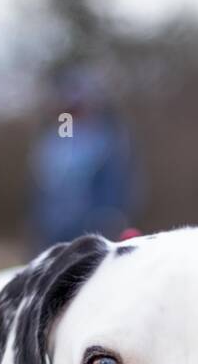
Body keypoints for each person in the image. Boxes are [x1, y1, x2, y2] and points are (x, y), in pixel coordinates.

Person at [30, 67, 139, 250]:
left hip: (96, 225)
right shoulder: (57, 137)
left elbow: (120, 182)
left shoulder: (109, 138)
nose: (72, 112)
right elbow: (47, 184)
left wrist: (112, 214)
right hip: (55, 227)